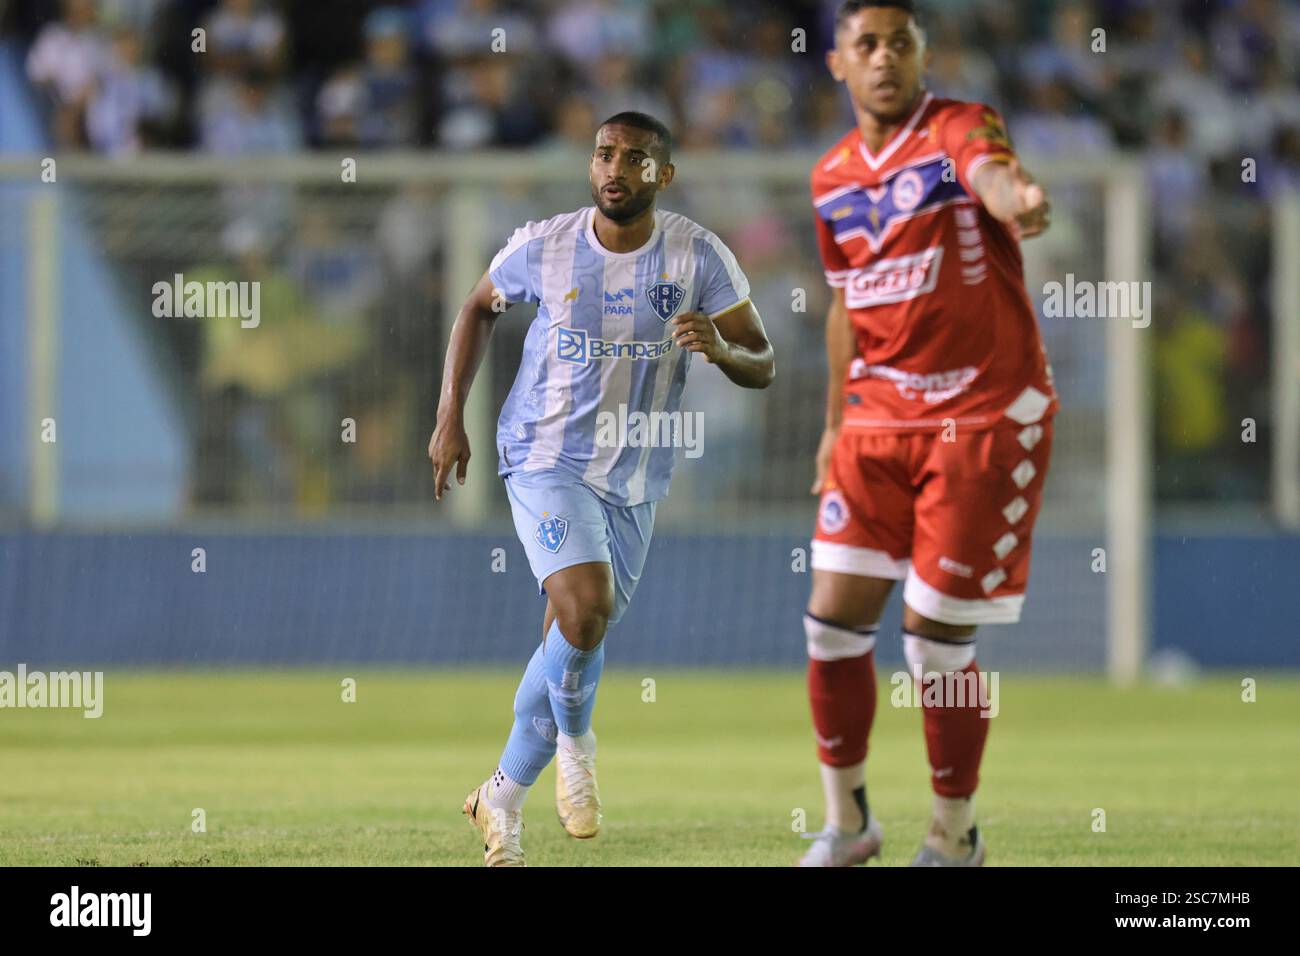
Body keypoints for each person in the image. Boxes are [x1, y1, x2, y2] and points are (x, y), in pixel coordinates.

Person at [427, 111, 774, 866]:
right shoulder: (546, 245)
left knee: (573, 634)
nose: (615, 169)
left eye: (636, 159)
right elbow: (478, 307)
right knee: (587, 609)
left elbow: (764, 359)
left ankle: (503, 795)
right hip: (543, 456)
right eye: (604, 155)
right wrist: (450, 415)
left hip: (636, 476)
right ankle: (578, 742)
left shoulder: (696, 256)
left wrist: (719, 349)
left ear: (663, 175)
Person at [800, 0, 1055, 867]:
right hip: (875, 420)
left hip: (979, 415)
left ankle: (954, 834)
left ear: (922, 54)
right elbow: (844, 302)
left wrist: (1013, 197)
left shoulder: (957, 124)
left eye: (898, 43)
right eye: (865, 44)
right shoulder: (831, 175)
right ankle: (848, 825)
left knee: (932, 636)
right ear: (837, 61)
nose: (882, 58)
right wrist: (834, 425)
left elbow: (988, 169)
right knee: (831, 622)